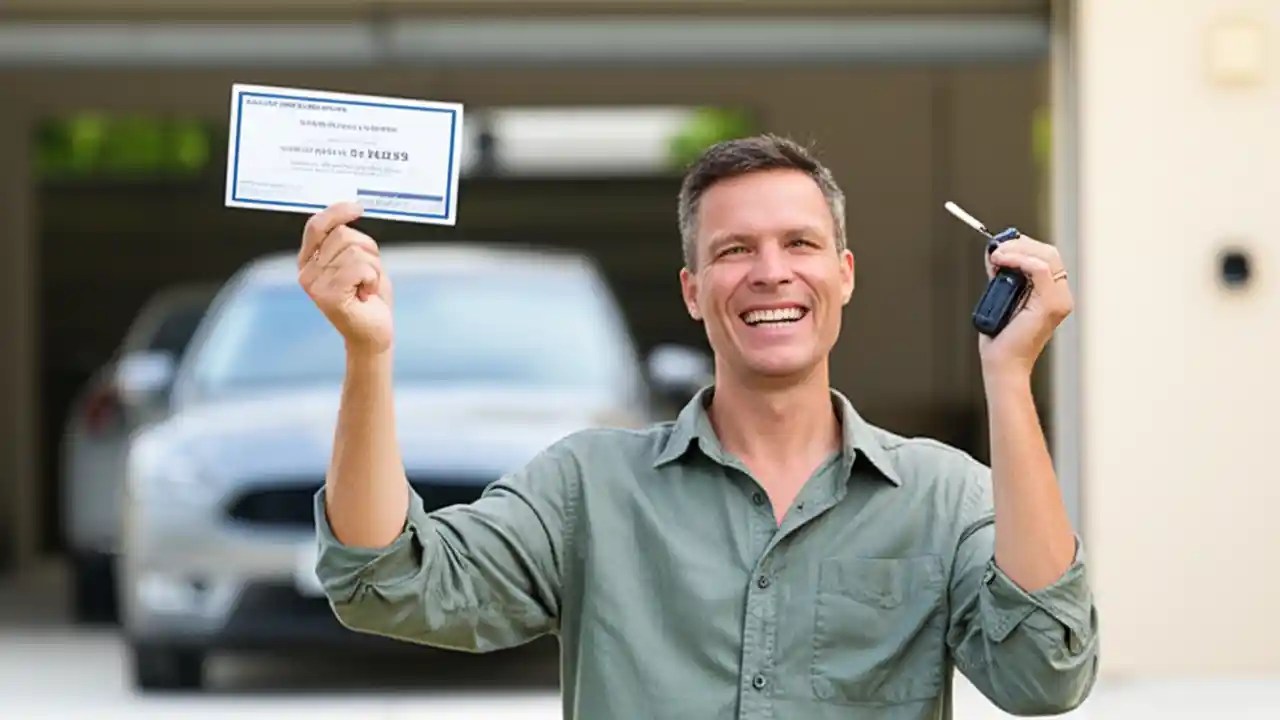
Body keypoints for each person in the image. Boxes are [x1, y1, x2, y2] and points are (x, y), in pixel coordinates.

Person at [298, 134, 1098, 718]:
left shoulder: (943, 496)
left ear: (843, 275)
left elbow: (1045, 674)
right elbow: (386, 585)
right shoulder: (589, 488)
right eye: (734, 249)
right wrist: (368, 356)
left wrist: (1007, 375)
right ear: (692, 289)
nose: (771, 271)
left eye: (800, 244)